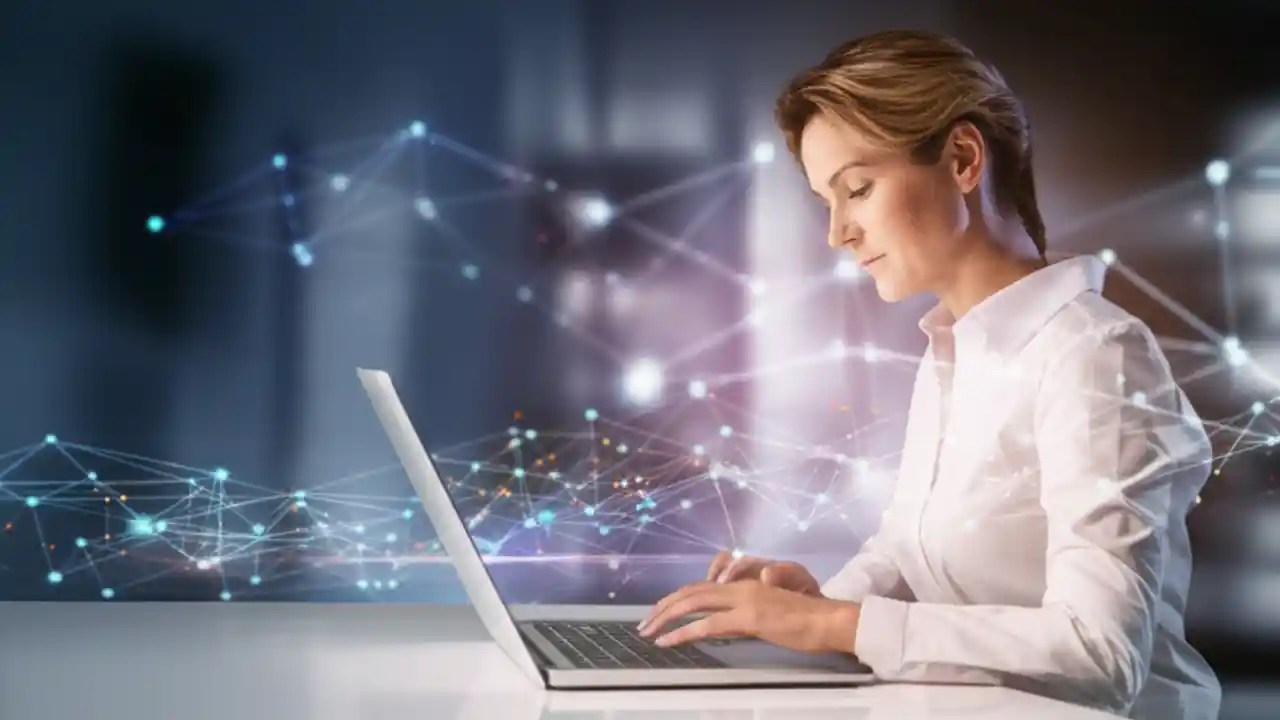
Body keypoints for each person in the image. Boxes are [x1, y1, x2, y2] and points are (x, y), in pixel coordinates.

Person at [635, 29, 1220, 719]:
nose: (838, 233)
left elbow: (1101, 652)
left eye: (857, 189)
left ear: (964, 159)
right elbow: (913, 554)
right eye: (827, 201)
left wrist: (836, 627)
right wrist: (819, 602)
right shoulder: (956, 347)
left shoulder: (1092, 355)